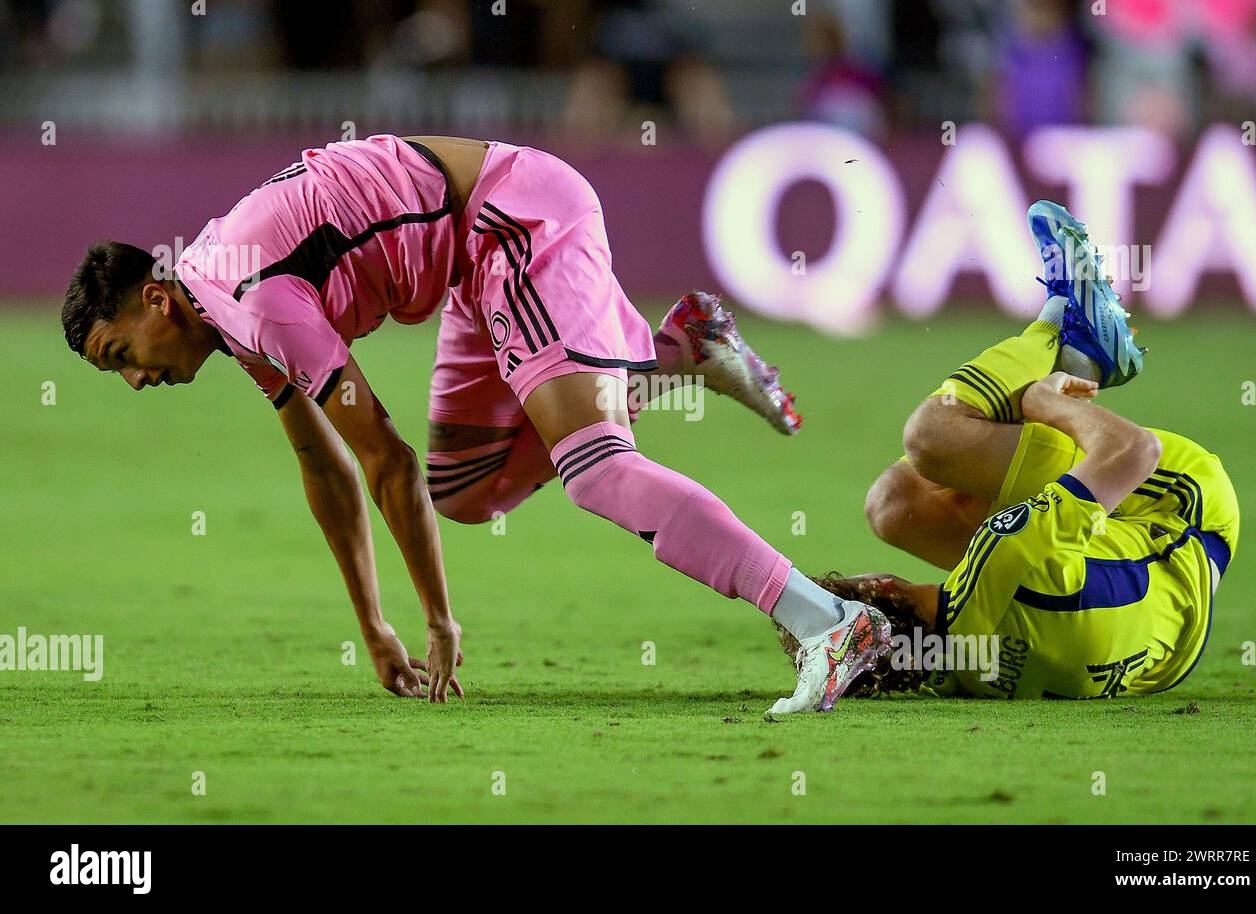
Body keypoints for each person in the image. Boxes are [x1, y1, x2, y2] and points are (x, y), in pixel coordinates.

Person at [60, 133, 891, 712]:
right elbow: (328, 470)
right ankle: (680, 350)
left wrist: (437, 619)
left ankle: (827, 621)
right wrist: (376, 627)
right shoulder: (224, 301)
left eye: (119, 353)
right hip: (469, 266)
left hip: (510, 219)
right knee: (465, 489)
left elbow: (383, 459)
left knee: (596, 470)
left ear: (156, 301)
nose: (134, 380)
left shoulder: (253, 302)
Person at [784, 201, 1239, 699]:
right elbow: (1136, 452)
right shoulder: (1005, 552)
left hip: (1171, 643)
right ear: (884, 587)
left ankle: (1064, 364)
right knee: (932, 438)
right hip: (1184, 517)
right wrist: (1041, 402)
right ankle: (1068, 332)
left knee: (894, 507)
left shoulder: (954, 675)